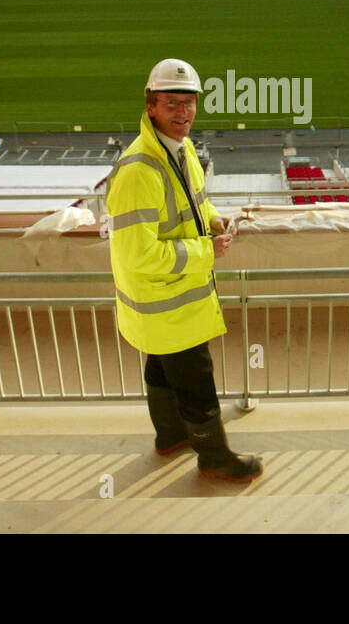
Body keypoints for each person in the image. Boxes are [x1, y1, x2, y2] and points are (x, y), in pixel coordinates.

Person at [106, 58, 262, 482]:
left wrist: (211, 219)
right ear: (151, 105)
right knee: (197, 382)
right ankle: (213, 457)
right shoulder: (139, 170)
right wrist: (206, 252)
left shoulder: (182, 149)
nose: (184, 112)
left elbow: (195, 201)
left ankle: (170, 436)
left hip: (162, 302)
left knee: (160, 366)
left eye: (190, 102)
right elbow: (140, 253)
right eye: (173, 102)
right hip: (168, 299)